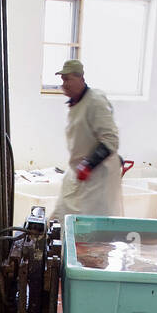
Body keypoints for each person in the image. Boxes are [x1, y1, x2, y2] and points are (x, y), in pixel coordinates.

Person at [52, 60, 124, 221]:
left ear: (81, 78)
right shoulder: (75, 104)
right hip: (77, 171)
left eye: (67, 79)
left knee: (90, 224)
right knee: (62, 212)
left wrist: (89, 164)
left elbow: (111, 139)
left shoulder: (95, 101)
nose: (64, 85)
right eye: (62, 80)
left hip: (98, 174)